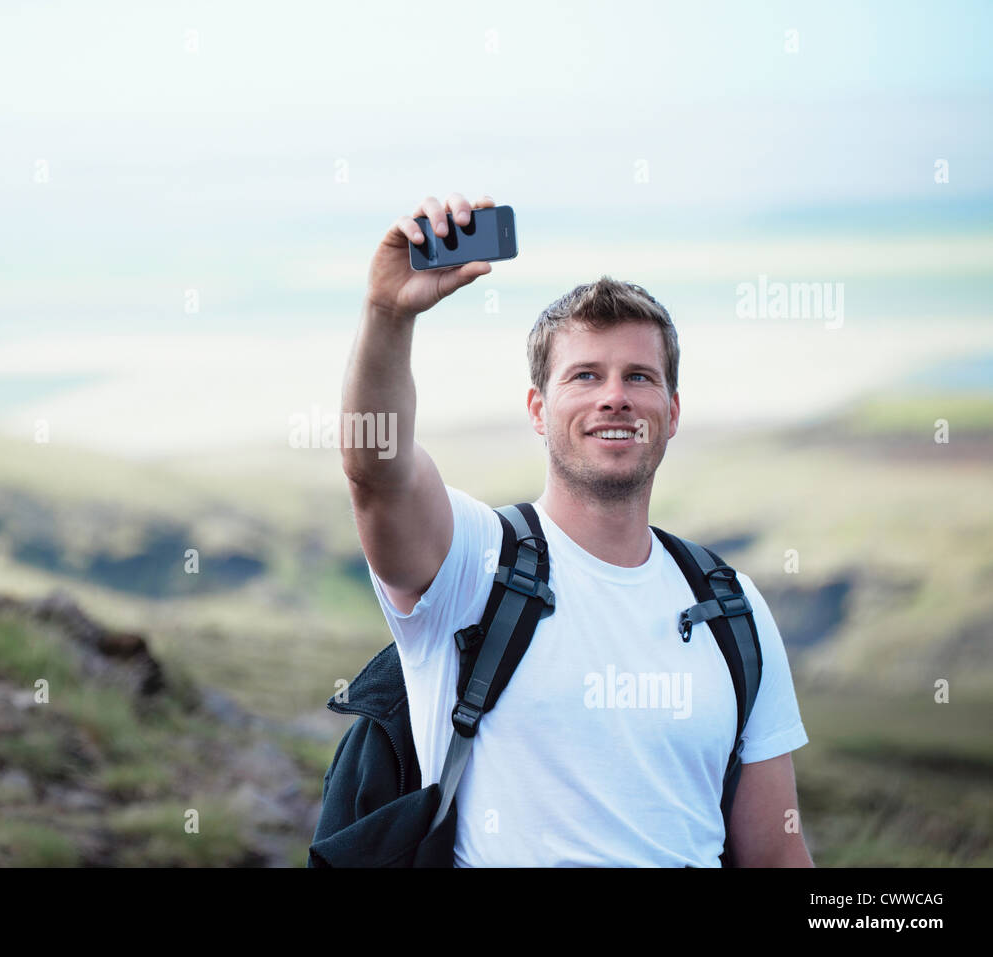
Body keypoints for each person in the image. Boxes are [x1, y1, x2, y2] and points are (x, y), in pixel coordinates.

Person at [339, 191, 814, 867]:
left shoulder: (732, 605)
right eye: (585, 375)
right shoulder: (474, 561)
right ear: (539, 409)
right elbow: (376, 473)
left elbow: (777, 855)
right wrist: (387, 315)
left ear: (672, 411)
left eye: (639, 377)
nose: (614, 396)